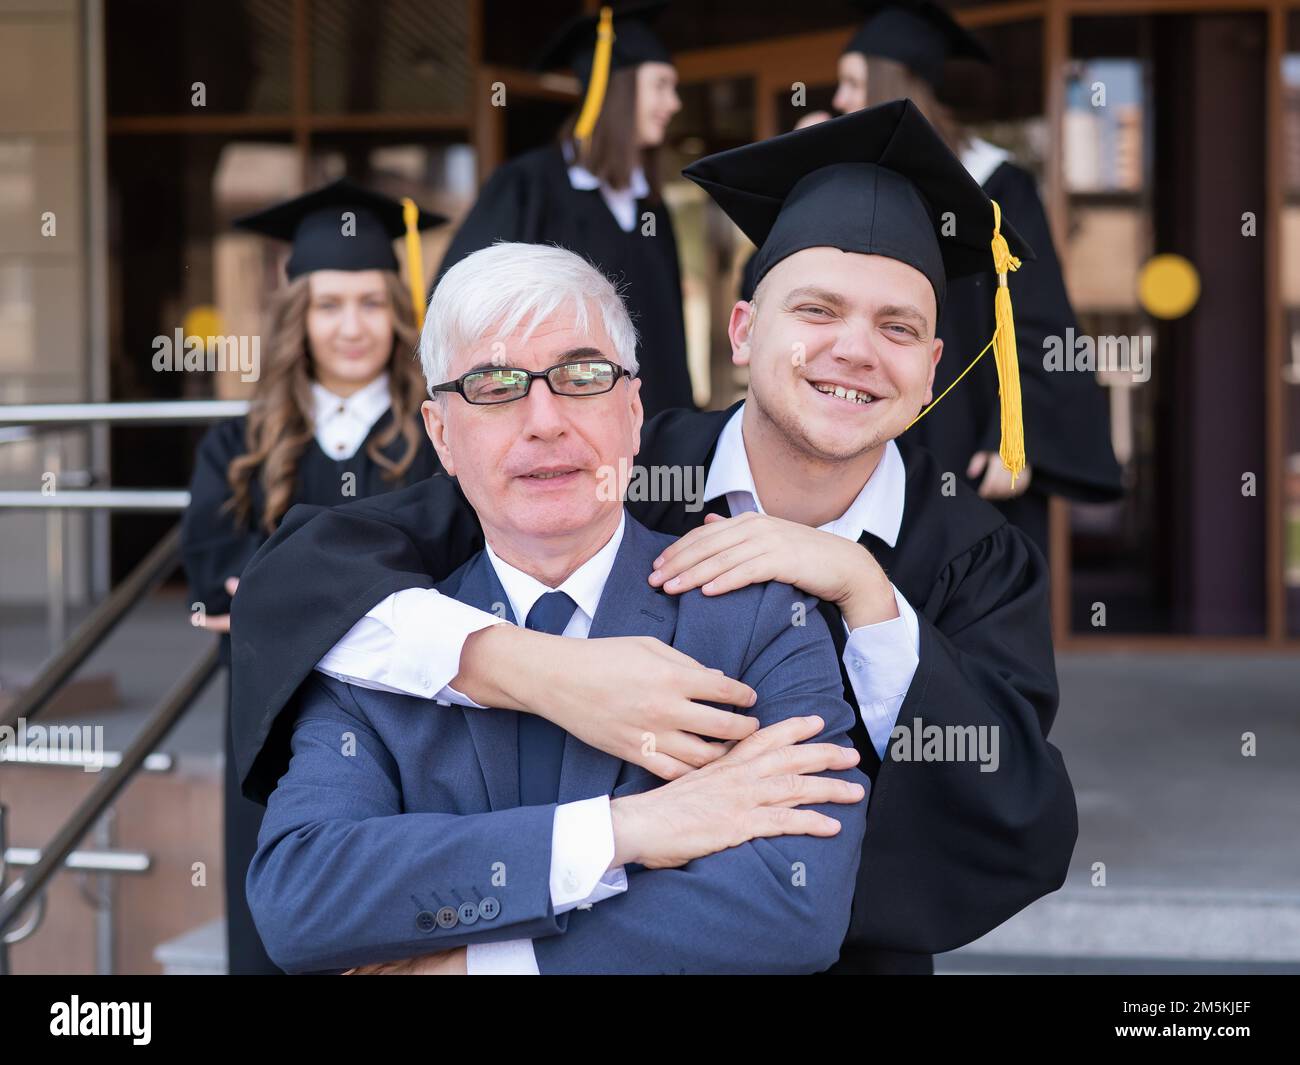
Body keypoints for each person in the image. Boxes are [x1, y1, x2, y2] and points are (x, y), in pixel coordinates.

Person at [230, 101, 1078, 975]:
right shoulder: (610, 468)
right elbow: (312, 578)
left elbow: (1014, 818)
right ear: (743, 330)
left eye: (897, 326)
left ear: (933, 368)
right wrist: (530, 667)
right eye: (817, 309)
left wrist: (865, 593)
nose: (856, 350)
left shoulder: (978, 557)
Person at [245, 242, 868, 975]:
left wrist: (468, 966)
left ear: (632, 412)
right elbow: (304, 897)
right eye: (494, 385)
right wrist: (623, 830)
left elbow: (793, 908)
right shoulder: (378, 650)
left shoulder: (758, 619)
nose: (544, 421)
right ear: (441, 435)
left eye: (581, 376)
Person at [180, 178, 443, 974]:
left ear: (397, 311)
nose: (352, 326)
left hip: (411, 720)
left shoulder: (438, 434)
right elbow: (215, 580)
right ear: (299, 313)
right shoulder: (241, 445)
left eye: (370, 302)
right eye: (329, 304)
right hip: (275, 725)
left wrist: (283, 600)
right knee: (276, 926)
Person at [822, 0, 1124, 553]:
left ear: (892, 85)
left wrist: (1016, 437)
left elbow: (1037, 320)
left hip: (969, 448)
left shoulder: (998, 188)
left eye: (852, 83)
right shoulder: (854, 188)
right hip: (874, 440)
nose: (838, 100)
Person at [436, 1, 694, 418]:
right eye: (662, 85)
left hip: (654, 427)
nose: (674, 102)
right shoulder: (527, 186)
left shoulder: (652, 208)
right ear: (618, 86)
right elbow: (466, 304)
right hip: (555, 421)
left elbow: (671, 337)